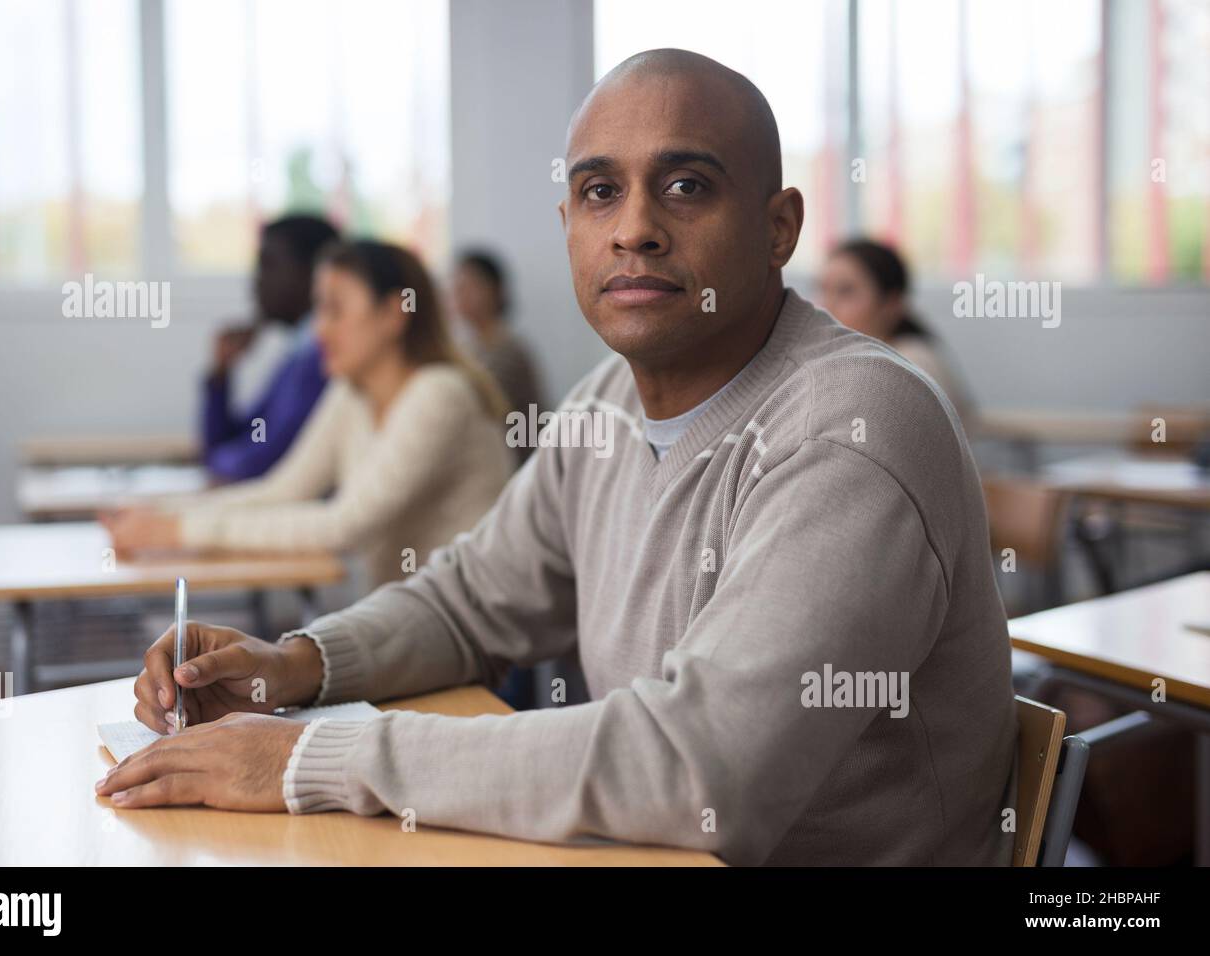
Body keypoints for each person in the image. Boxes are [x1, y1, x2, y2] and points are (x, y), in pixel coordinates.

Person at [99, 50, 1017, 867]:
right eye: (598, 191)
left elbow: (700, 769)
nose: (635, 229)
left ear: (779, 228)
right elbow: (470, 603)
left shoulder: (854, 425)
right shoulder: (607, 405)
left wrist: (308, 758)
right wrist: (297, 664)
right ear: (569, 223)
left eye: (687, 185)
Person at [102, 240, 513, 589]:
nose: (319, 330)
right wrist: (164, 513)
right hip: (408, 620)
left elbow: (343, 527)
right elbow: (281, 491)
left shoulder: (439, 394)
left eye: (335, 310)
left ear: (392, 313)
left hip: (476, 640)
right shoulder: (352, 392)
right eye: (319, 310)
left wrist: (175, 532)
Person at [202, 215, 341, 481]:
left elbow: (262, 464)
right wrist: (220, 375)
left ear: (313, 275)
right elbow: (237, 439)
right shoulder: (297, 356)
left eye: (268, 265)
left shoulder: (323, 362)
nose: (256, 282)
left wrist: (217, 461)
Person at [818, 238, 976, 432]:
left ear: (891, 303)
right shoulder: (860, 362)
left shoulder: (910, 366)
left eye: (846, 292)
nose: (825, 306)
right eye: (822, 289)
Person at [452, 249, 546, 467]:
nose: (459, 294)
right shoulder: (469, 347)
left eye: (468, 286)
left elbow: (476, 407)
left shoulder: (509, 350)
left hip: (517, 469)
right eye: (457, 287)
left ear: (495, 291)